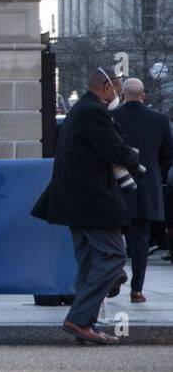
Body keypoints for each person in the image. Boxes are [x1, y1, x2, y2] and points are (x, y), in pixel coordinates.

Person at [30, 69, 142, 344]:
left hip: (74, 201)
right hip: (91, 200)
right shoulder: (94, 111)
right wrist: (135, 160)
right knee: (114, 256)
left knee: (89, 260)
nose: (117, 94)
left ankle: (85, 323)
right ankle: (79, 319)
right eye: (115, 88)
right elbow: (113, 148)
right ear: (104, 87)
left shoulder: (80, 110)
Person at [112, 78, 173, 303]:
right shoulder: (159, 120)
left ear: (123, 95)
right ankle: (137, 290)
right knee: (141, 240)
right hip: (147, 186)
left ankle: (115, 273)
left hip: (116, 186)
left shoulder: (112, 117)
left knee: (112, 235)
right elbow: (168, 155)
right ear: (143, 95)